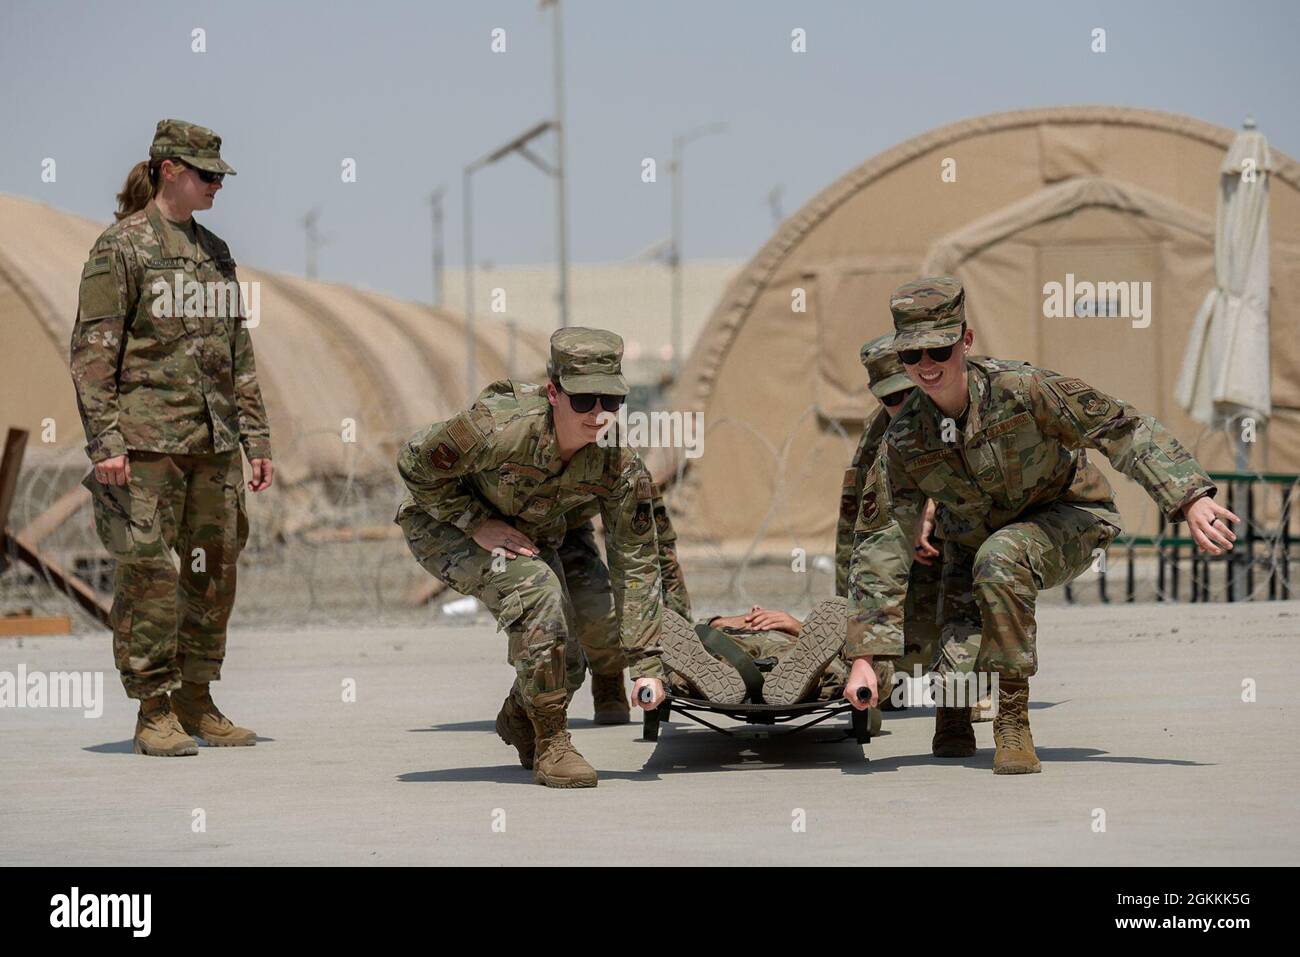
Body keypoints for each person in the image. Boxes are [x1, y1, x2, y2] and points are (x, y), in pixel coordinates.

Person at [843, 277, 1237, 774]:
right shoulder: (904, 440)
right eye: (911, 355)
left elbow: (1121, 428)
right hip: (971, 538)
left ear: (965, 341)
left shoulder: (1023, 390)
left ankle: (1012, 714)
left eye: (939, 350)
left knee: (1001, 558)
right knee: (960, 635)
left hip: (1068, 517)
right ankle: (954, 710)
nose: (925, 366)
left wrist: (1190, 497)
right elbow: (883, 541)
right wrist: (865, 655)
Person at [72, 119, 272, 756]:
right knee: (151, 577)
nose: (217, 184)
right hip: (148, 445)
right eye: (205, 174)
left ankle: (196, 696)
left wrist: (256, 440)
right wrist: (105, 442)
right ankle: (152, 707)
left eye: (219, 175)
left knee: (213, 573)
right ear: (167, 170)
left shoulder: (215, 252)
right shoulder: (120, 249)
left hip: (213, 447)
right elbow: (93, 354)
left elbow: (237, 351)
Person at [395, 328, 666, 789]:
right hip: (445, 526)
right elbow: (414, 463)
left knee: (569, 663)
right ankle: (552, 744)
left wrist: (648, 664)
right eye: (583, 401)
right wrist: (474, 522)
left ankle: (519, 720)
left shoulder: (617, 464)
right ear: (553, 394)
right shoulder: (498, 426)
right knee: (538, 593)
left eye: (611, 402)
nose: (598, 415)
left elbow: (635, 563)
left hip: (526, 536)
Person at [556, 486, 691, 724]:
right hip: (496, 534)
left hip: (566, 532)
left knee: (600, 612)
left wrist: (679, 645)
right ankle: (531, 702)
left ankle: (607, 672)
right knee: (538, 617)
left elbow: (658, 555)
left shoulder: (621, 468)